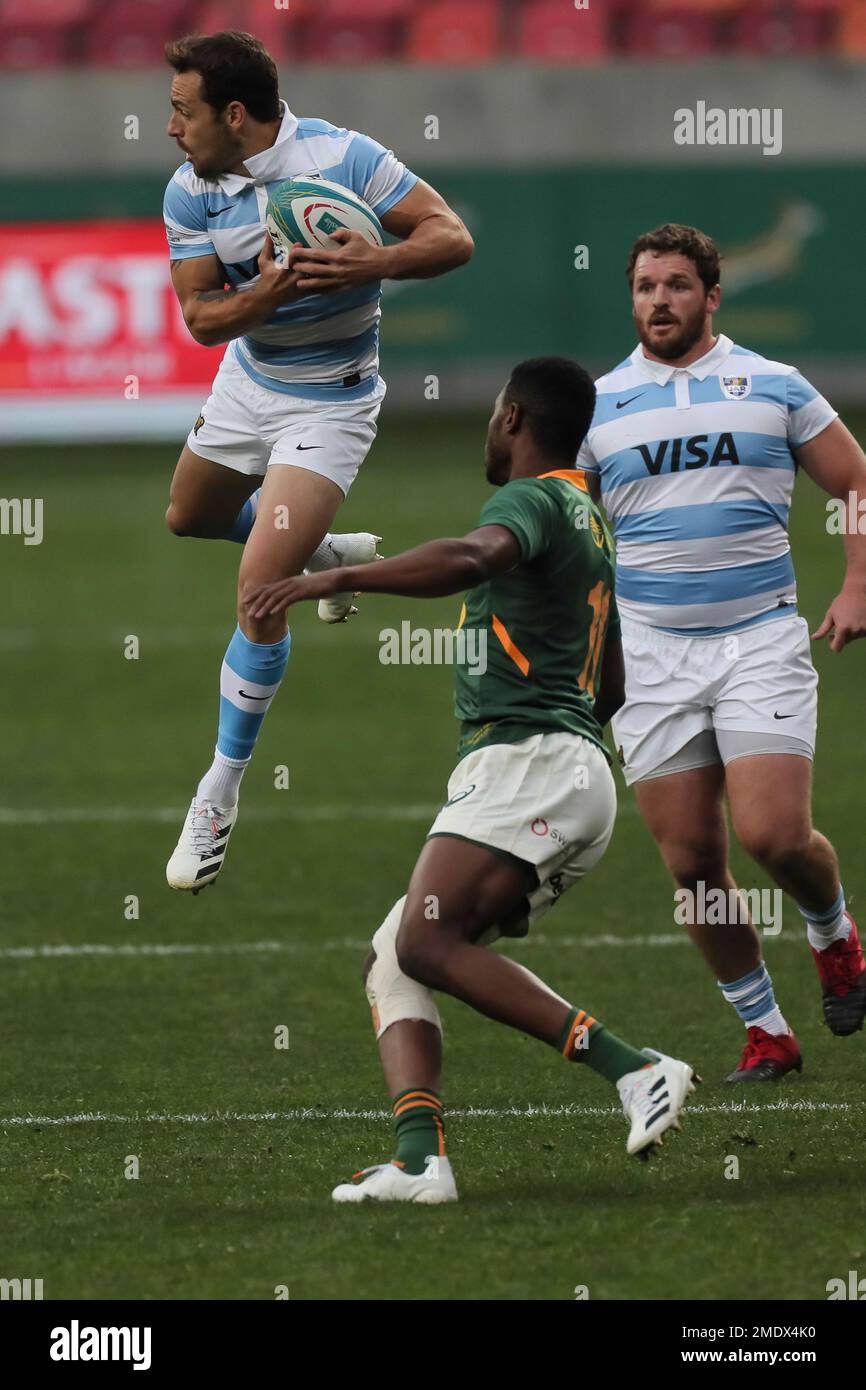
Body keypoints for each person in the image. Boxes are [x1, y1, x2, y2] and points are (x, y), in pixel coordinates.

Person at [246, 357, 698, 1202]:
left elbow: (469, 554)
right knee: (396, 960)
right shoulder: (589, 518)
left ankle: (636, 1070)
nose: (488, 427)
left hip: (530, 764)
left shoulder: (530, 500)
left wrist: (336, 575)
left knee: (423, 941)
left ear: (515, 416)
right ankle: (422, 1162)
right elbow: (614, 685)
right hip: (559, 769)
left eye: (495, 413)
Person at [160, 30, 473, 892]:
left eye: (183, 112)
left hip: (329, 401)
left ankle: (219, 790)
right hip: (246, 380)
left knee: (261, 589)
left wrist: (378, 259)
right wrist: (267, 290)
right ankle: (324, 551)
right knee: (188, 517)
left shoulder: (346, 158)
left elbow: (452, 238)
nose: (170, 129)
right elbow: (200, 318)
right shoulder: (190, 190)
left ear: (233, 113)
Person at [576, 223, 866, 1081]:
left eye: (674, 285)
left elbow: (854, 480)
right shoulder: (597, 407)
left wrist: (856, 586)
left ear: (711, 295)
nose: (657, 300)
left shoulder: (772, 385)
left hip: (760, 642)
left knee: (776, 837)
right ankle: (766, 1032)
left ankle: (834, 935)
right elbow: (568, 529)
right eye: (643, 287)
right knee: (694, 864)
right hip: (654, 660)